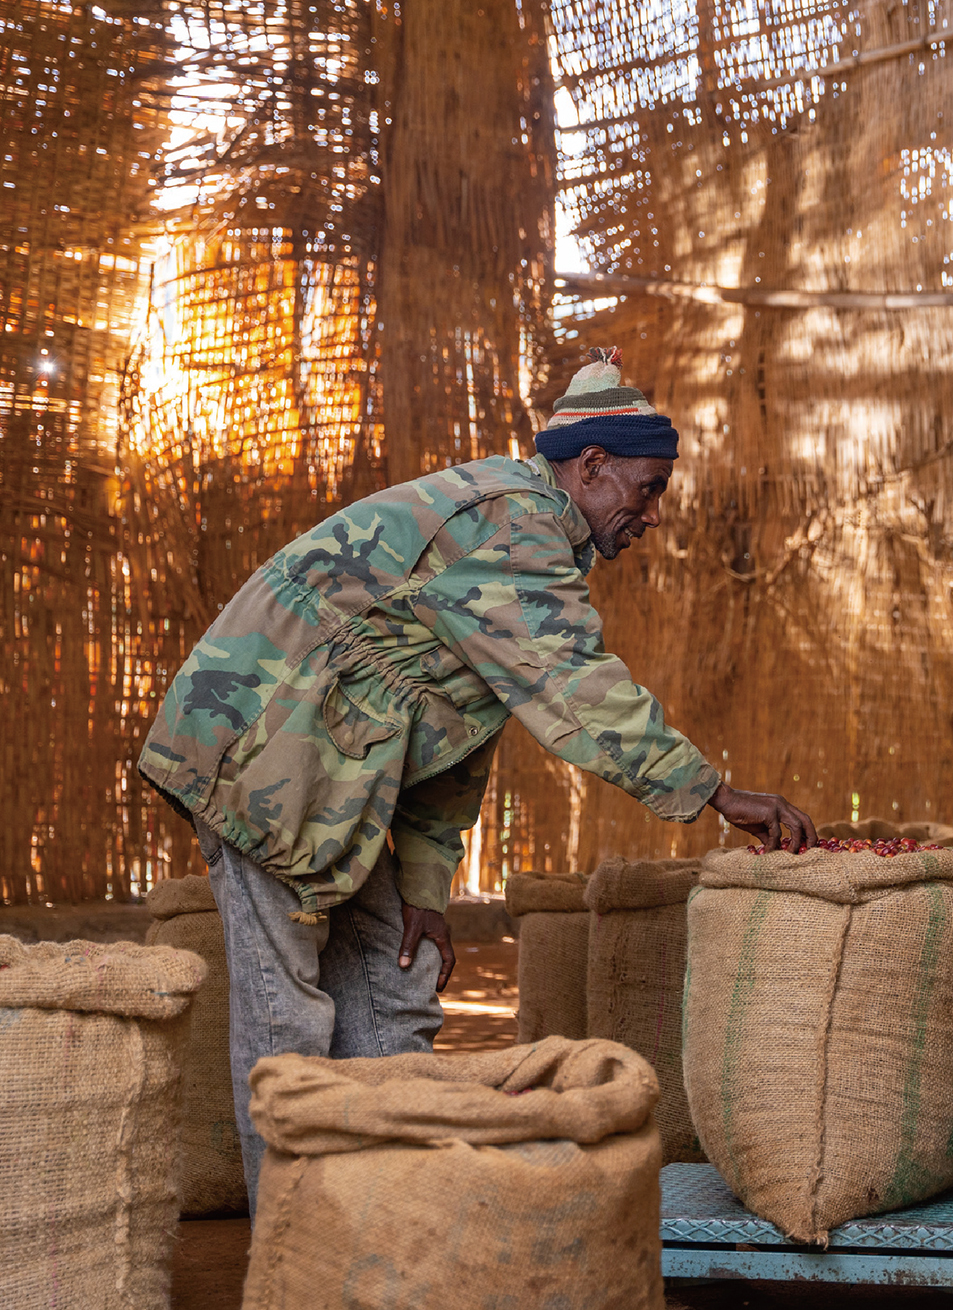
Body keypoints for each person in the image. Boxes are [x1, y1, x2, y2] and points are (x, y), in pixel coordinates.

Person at [137, 349, 816, 1212]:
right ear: (591, 465)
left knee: (395, 986)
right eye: (646, 489)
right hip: (259, 752)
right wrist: (716, 792)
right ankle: (294, 1244)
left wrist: (424, 888)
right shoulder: (512, 523)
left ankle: (381, 1223)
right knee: (287, 1017)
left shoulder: (527, 538)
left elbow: (455, 730)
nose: (652, 513)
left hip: (332, 773)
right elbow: (575, 687)